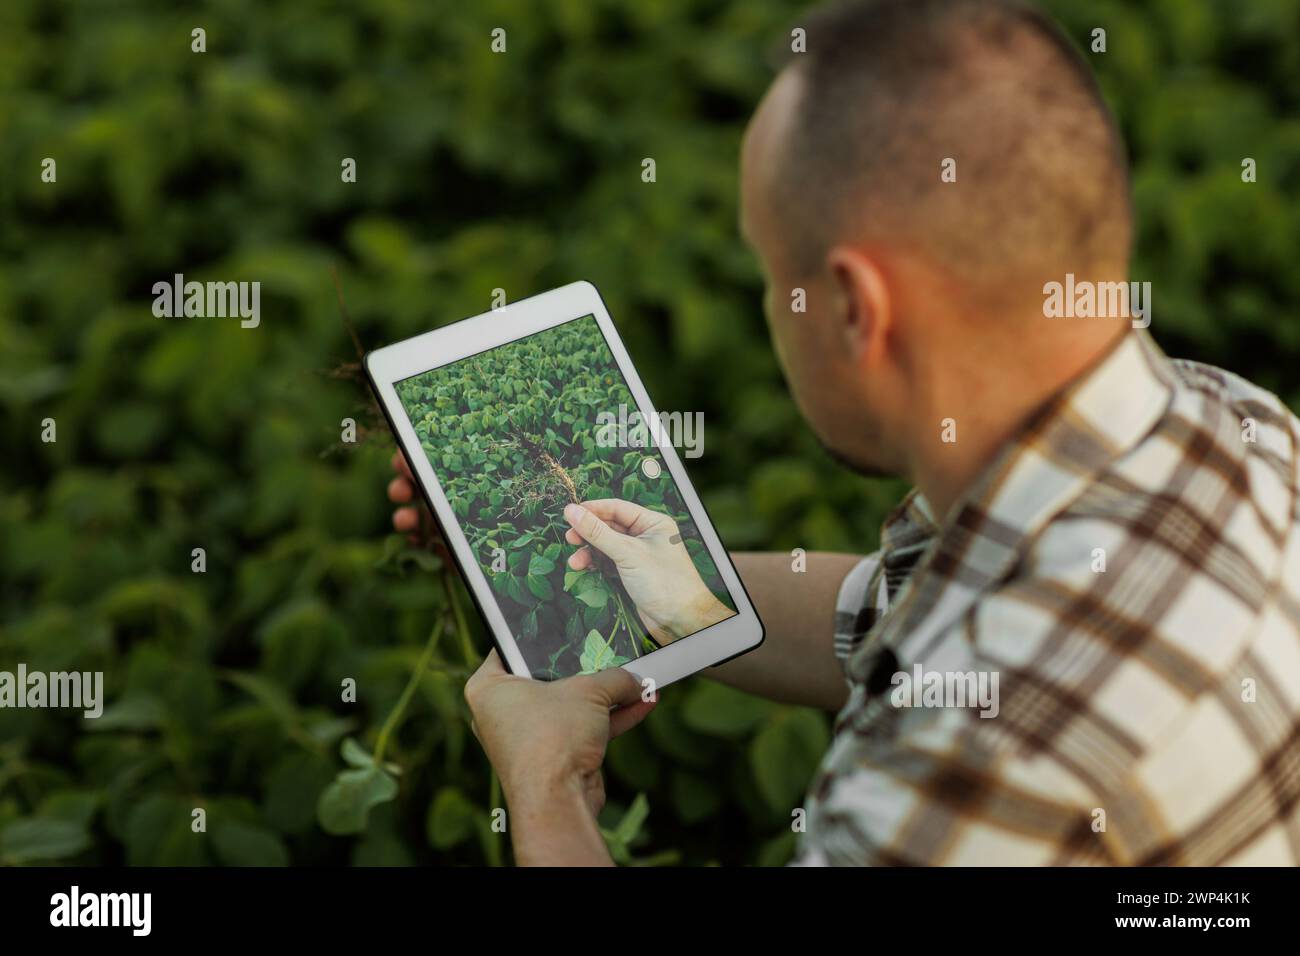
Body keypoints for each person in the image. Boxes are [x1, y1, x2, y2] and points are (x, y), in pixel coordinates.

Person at [389, 0, 1300, 865]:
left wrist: (546, 787)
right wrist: (684, 592)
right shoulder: (1240, 423)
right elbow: (904, 612)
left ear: (860, 309)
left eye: (771, 273)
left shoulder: (971, 781)